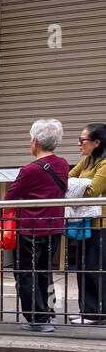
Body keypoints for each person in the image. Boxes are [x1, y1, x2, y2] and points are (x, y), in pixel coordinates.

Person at [7, 118, 71, 332]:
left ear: (35, 141)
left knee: (26, 272)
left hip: (30, 228)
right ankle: (49, 313)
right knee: (45, 271)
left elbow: (10, 196)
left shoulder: (29, 169)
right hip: (54, 227)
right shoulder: (62, 164)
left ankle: (36, 317)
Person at [67, 122, 106, 325]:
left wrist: (77, 186)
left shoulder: (105, 164)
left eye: (83, 140)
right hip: (85, 222)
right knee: (83, 267)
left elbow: (94, 191)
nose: (79, 144)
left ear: (97, 142)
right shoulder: (88, 161)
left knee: (94, 268)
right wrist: (81, 184)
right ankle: (86, 310)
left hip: (100, 224)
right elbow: (67, 179)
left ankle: (95, 313)